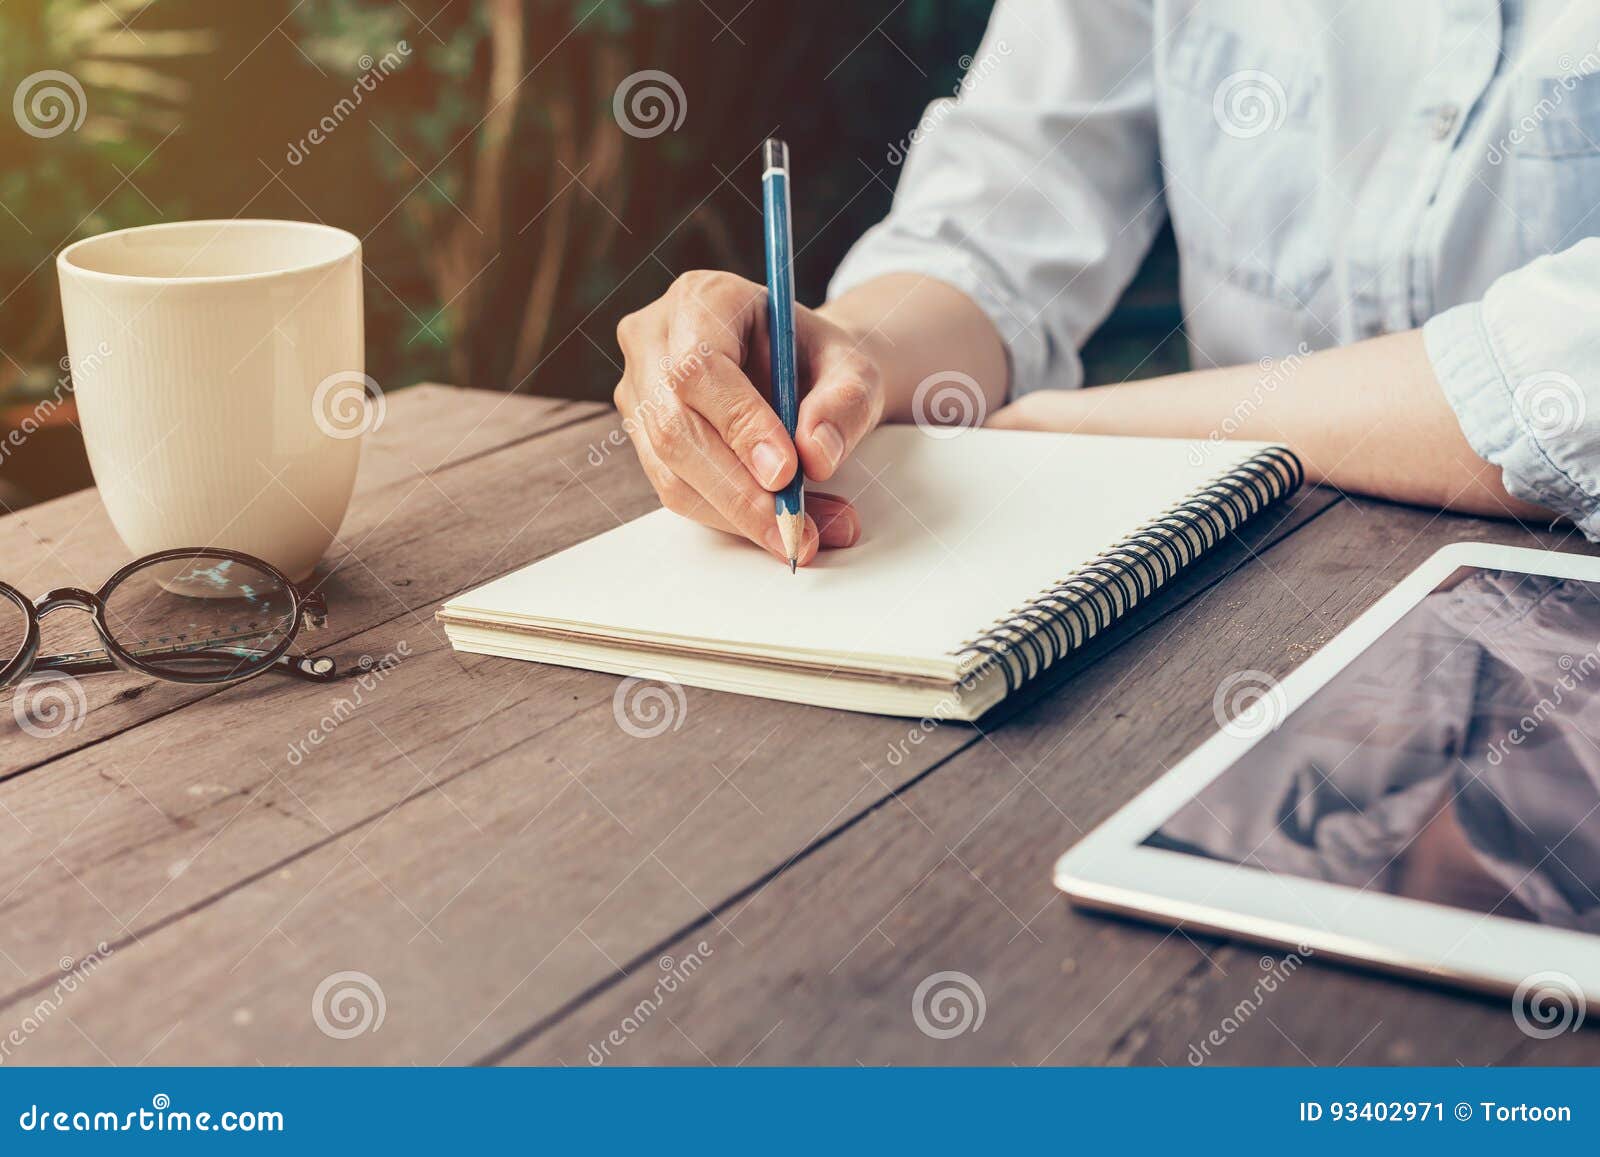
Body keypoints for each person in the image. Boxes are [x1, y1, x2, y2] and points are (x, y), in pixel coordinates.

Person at [612, 1, 1600, 566]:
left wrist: (1058, 430)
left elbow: (1567, 370)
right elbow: (1000, 217)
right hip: (1242, 594)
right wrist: (850, 350)